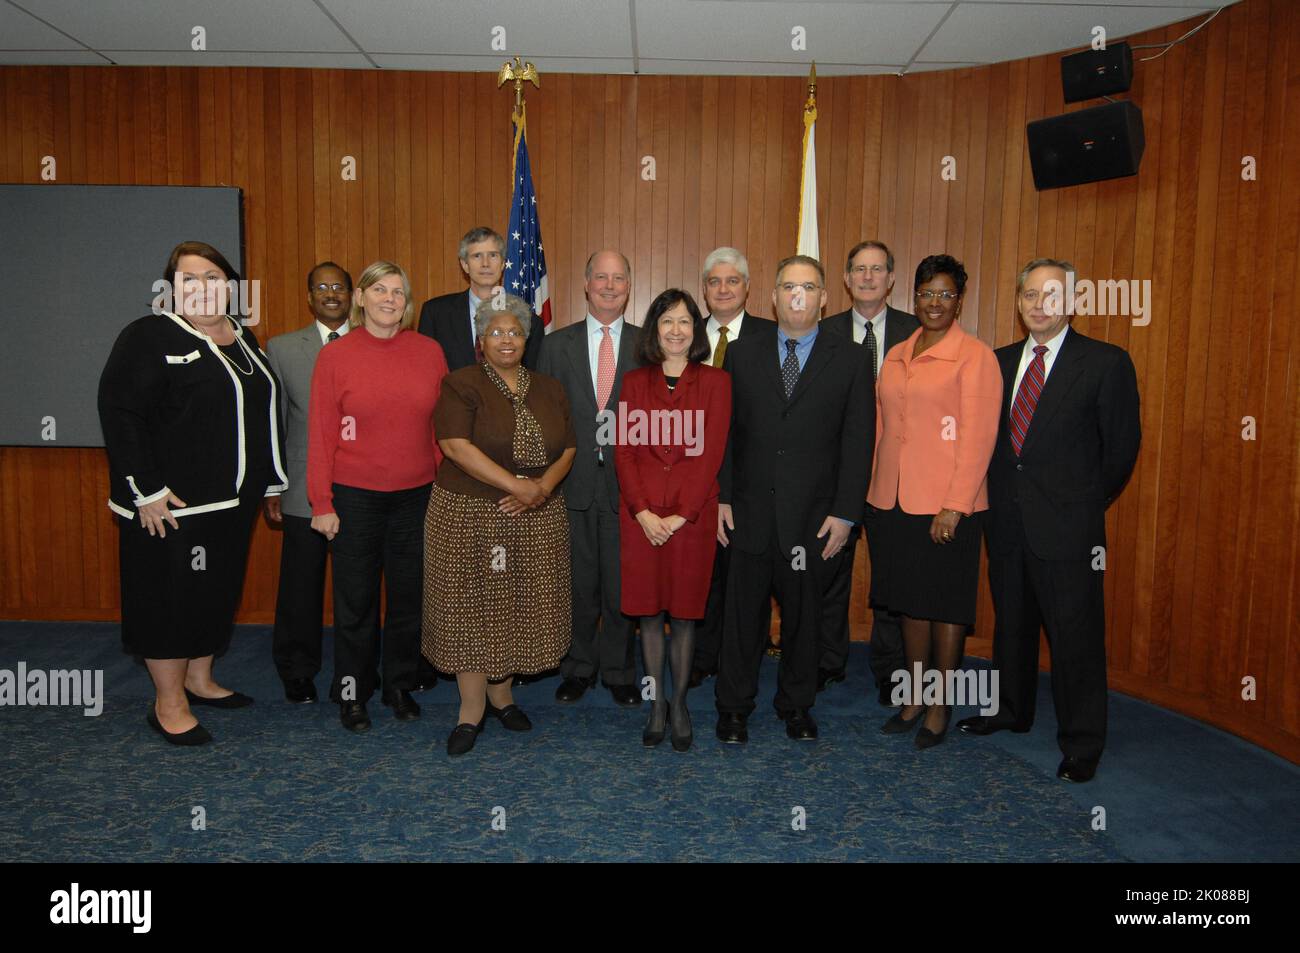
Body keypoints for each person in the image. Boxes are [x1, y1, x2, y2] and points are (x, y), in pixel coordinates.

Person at [957, 258, 1140, 783]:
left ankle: (1082, 742)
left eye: (1052, 296)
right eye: (1031, 296)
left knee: (1075, 638)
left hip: (1069, 528)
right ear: (1019, 304)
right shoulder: (998, 361)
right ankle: (1010, 711)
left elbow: (1121, 452)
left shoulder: (1106, 363)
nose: (1040, 305)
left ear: (1074, 303)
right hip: (1007, 523)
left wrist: (1078, 504)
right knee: (1011, 625)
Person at [98, 240, 288, 745]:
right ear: (170, 289)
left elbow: (260, 416)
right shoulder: (147, 336)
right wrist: (145, 491)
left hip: (233, 501)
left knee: (214, 592)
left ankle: (200, 680)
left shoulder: (242, 336)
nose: (202, 287)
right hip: (171, 505)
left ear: (230, 285)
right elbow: (122, 416)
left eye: (212, 277)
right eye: (189, 279)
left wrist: (270, 483)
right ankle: (169, 701)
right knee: (168, 600)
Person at [715, 255, 874, 744]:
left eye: (808, 286)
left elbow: (858, 440)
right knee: (742, 619)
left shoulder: (849, 357)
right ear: (774, 296)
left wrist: (847, 513)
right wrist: (721, 497)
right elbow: (726, 434)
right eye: (788, 286)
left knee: (805, 620)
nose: (797, 295)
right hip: (749, 513)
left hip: (814, 519)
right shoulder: (742, 353)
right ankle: (734, 708)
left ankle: (797, 706)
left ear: (825, 297)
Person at [423, 295, 576, 756]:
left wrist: (541, 489)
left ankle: (502, 695)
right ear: (480, 340)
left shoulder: (550, 387)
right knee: (471, 610)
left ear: (527, 339)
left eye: (514, 332)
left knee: (518, 606)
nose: (506, 339)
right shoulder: (460, 383)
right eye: (496, 332)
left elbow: (569, 447)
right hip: (469, 515)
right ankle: (470, 710)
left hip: (536, 518)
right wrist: (516, 485)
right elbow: (455, 445)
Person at [307, 260, 449, 733]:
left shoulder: (429, 352)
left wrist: (445, 490)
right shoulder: (335, 355)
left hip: (417, 496)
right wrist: (321, 503)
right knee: (356, 601)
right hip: (354, 497)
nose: (390, 299)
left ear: (407, 303)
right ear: (361, 298)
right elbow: (322, 434)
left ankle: (398, 686)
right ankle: (353, 691)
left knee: (409, 598)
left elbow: (439, 431)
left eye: (398, 292)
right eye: (380, 290)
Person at [867, 254, 1002, 748]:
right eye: (927, 293)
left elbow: (978, 438)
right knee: (909, 606)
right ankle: (914, 695)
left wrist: (955, 504)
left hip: (947, 507)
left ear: (960, 300)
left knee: (945, 608)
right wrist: (875, 493)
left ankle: (941, 704)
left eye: (946, 294)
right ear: (914, 296)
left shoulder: (975, 356)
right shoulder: (898, 353)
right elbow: (885, 427)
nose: (935, 302)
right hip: (895, 501)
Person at [616, 290, 731, 752]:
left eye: (685, 321)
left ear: (696, 331)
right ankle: (656, 704)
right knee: (647, 615)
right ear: (654, 329)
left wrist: (682, 515)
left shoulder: (716, 383)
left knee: (684, 616)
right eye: (667, 321)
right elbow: (623, 451)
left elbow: (711, 454)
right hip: (640, 517)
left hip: (692, 518)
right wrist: (642, 511)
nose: (677, 330)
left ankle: (680, 705)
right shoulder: (633, 381)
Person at [537, 250, 643, 707]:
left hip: (628, 487)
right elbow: (542, 418)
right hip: (571, 483)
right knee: (578, 583)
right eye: (601, 277)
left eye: (619, 277)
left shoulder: (648, 346)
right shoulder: (554, 345)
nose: (609, 285)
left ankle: (619, 671)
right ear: (585, 284)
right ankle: (578, 667)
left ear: (628, 286)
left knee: (621, 585)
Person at [819, 240, 918, 701]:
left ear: (892, 278)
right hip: (836, 474)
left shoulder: (918, 331)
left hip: (896, 478)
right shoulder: (822, 331)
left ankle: (890, 670)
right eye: (859, 269)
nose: (867, 277)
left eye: (877, 269)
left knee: (894, 578)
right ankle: (826, 661)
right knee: (829, 574)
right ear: (845, 278)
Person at [264, 262, 354, 704]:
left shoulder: (371, 342)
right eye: (321, 286)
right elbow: (274, 423)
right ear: (309, 297)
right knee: (301, 583)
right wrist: (273, 485)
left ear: (352, 295)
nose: (331, 293)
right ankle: (297, 669)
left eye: (339, 286)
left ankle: (352, 672)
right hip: (300, 483)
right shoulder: (280, 349)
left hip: (360, 484)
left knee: (354, 586)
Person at [690, 247, 776, 689]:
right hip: (693, 477)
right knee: (703, 571)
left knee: (747, 574)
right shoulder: (686, 338)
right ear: (703, 289)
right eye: (713, 282)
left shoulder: (772, 336)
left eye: (732, 281)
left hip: (750, 479)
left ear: (747, 287)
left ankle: (743, 658)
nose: (722, 289)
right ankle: (703, 656)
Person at [417, 226, 544, 370]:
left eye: (493, 255)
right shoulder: (435, 314)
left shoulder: (530, 321)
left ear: (503, 263)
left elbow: (532, 378)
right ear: (465, 265)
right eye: (477, 256)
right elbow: (425, 372)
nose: (485, 264)